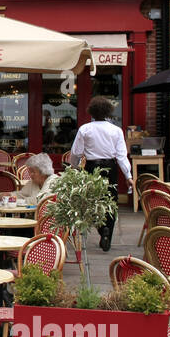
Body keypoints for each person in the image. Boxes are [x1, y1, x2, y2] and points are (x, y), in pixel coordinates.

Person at [68, 96, 131, 252]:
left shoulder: (85, 129)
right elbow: (122, 155)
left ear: (92, 112)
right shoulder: (116, 130)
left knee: (92, 201)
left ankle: (101, 229)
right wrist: (128, 176)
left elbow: (76, 152)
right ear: (109, 112)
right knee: (111, 201)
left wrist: (73, 166)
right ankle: (107, 231)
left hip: (92, 168)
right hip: (110, 167)